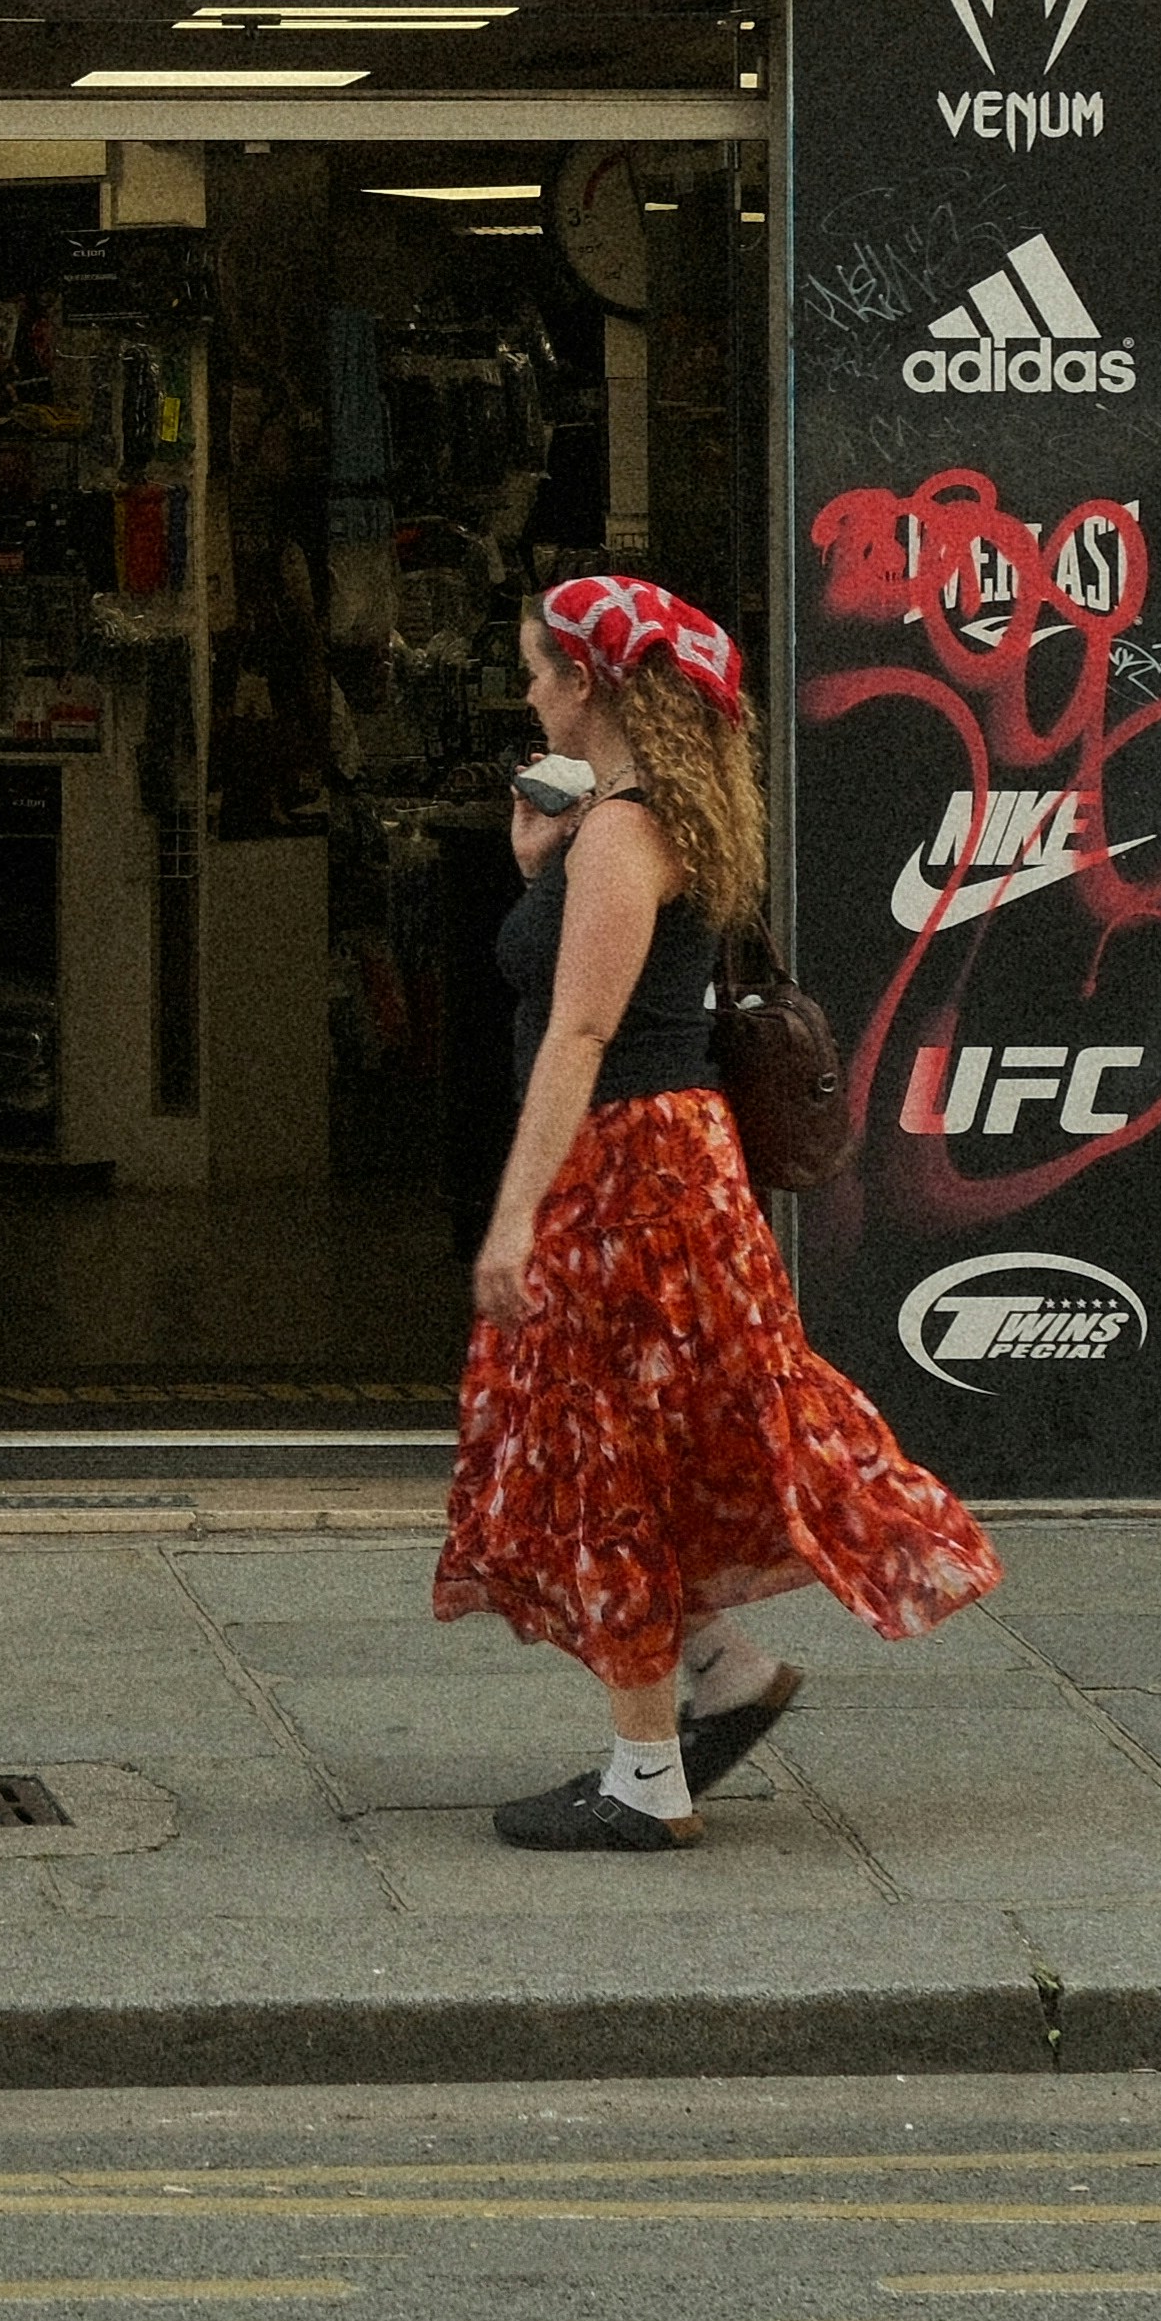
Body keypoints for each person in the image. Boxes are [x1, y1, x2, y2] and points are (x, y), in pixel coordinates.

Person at [434, 574, 994, 1847]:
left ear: (592, 684)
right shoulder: (623, 825)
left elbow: (579, 1033)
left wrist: (513, 1216)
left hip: (623, 1170)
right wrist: (539, 866)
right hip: (655, 1162)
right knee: (641, 1436)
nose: (526, 689)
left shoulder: (630, 832)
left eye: (539, 667)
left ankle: (644, 1777)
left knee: (605, 1456)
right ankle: (721, 1674)